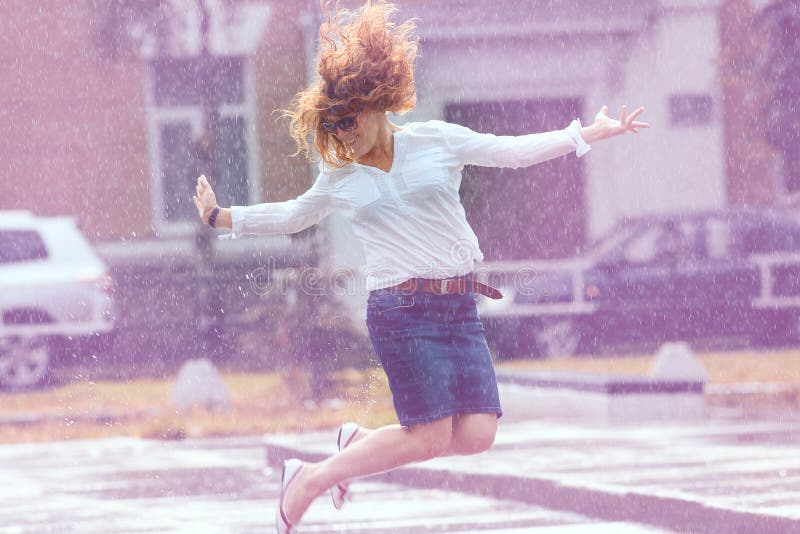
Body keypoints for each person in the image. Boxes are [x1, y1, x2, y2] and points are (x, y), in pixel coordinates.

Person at [191, 1, 649, 532]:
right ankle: (308, 478)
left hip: (458, 306)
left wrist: (587, 134)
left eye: (348, 119)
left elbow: (510, 151)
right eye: (332, 126)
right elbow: (294, 215)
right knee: (428, 436)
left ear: (375, 103)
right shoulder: (341, 177)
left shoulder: (435, 141)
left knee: (477, 434)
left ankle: (357, 446)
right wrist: (222, 218)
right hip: (400, 311)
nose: (342, 134)